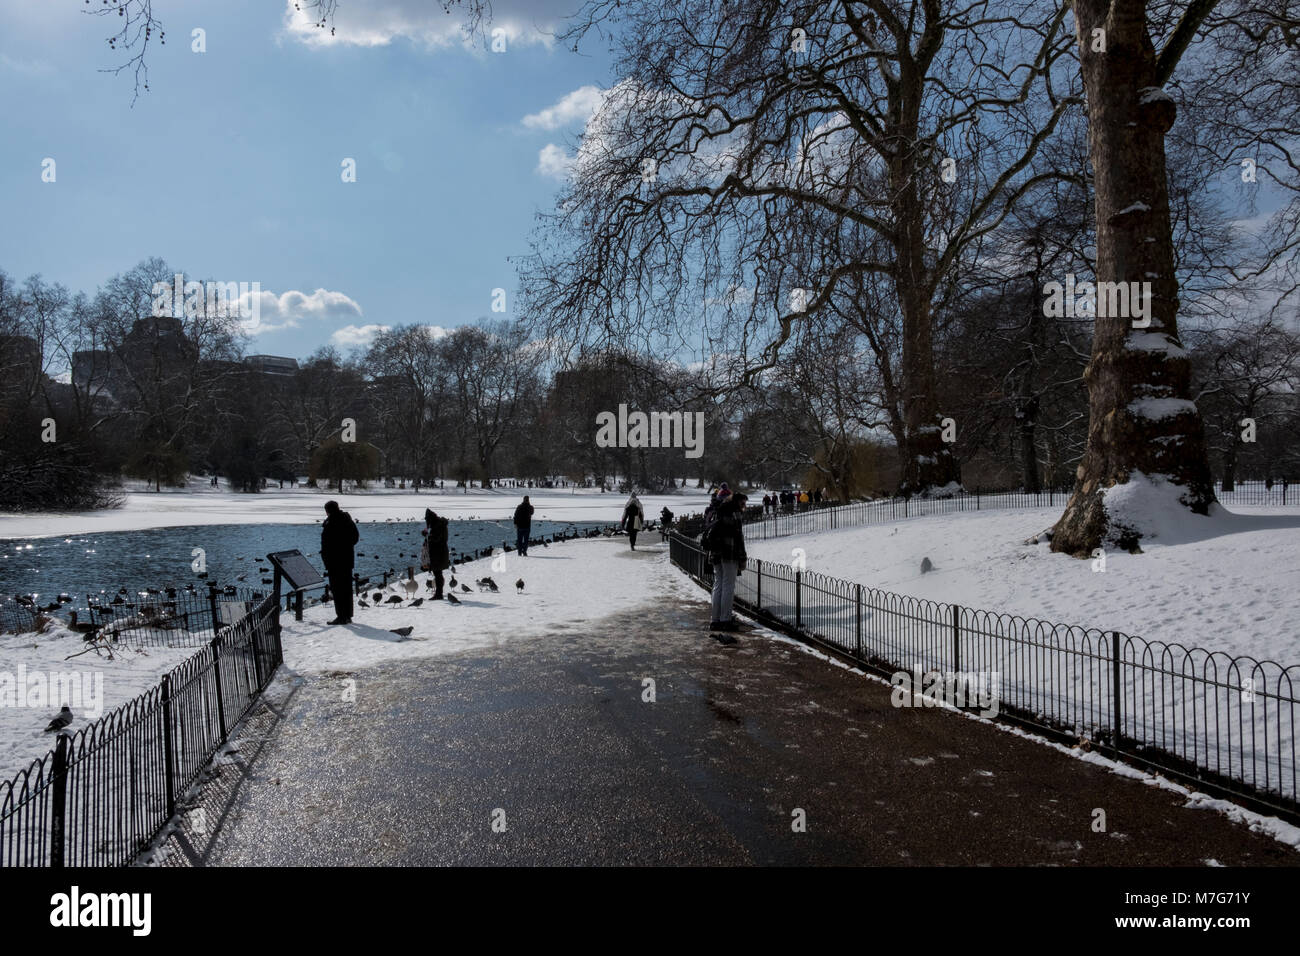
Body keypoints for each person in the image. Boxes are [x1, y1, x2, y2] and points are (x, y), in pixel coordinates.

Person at [703, 490, 748, 634]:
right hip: (730, 552)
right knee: (728, 586)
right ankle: (725, 620)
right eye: (743, 503)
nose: (744, 506)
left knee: (718, 585)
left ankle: (715, 619)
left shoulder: (718, 510)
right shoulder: (735, 513)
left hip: (716, 552)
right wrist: (743, 557)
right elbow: (739, 537)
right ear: (737, 501)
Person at [320, 500, 359, 625]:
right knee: (347, 588)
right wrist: (346, 546)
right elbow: (355, 537)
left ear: (327, 511)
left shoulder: (331, 522)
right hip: (347, 559)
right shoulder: (347, 520)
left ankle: (341, 616)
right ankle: (348, 615)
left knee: (337, 589)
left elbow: (326, 544)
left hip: (335, 561)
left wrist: (330, 554)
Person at [421, 507, 450, 600]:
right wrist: (427, 534)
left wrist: (428, 536)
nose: (427, 522)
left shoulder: (438, 525)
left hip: (439, 553)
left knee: (437, 573)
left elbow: (437, 539)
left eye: (427, 520)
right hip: (439, 552)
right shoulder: (438, 524)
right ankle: (439, 593)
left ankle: (439, 594)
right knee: (438, 573)